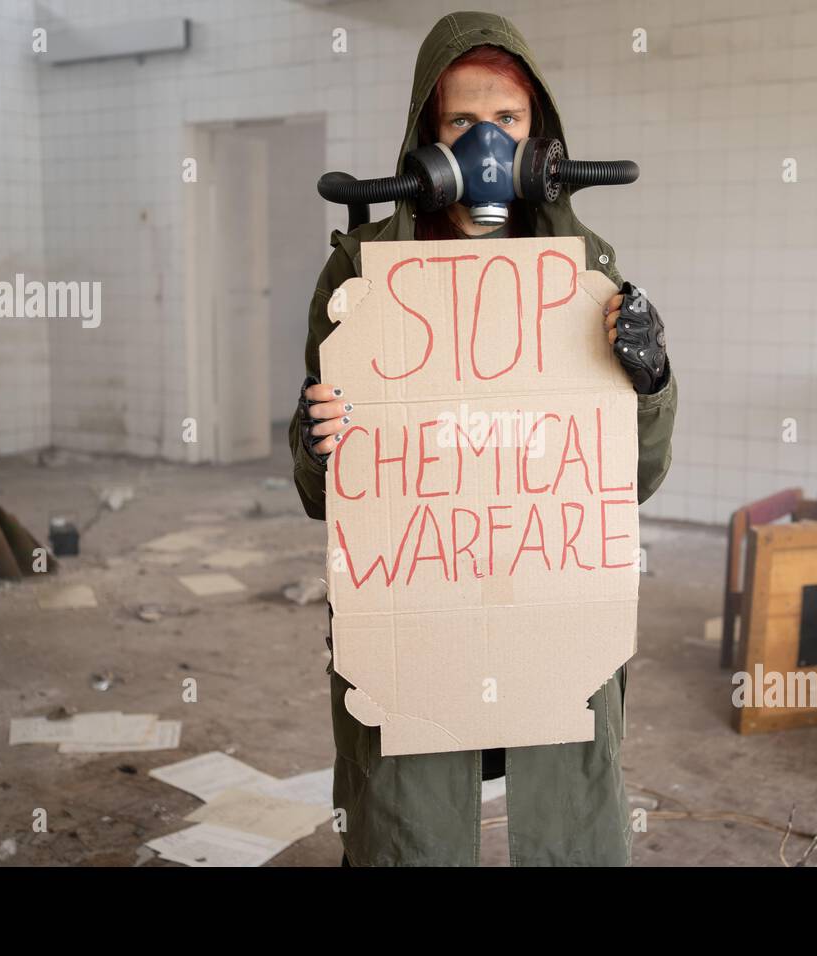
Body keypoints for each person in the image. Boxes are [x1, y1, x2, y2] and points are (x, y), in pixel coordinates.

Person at [288, 11, 677, 866]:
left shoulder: (586, 274)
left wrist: (648, 382)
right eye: (462, 122)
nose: (486, 146)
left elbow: (635, 478)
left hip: (546, 611)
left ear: (542, 139)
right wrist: (317, 442)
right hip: (415, 614)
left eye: (508, 121)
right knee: (411, 827)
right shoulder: (361, 273)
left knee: (561, 820)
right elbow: (324, 495)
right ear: (425, 138)